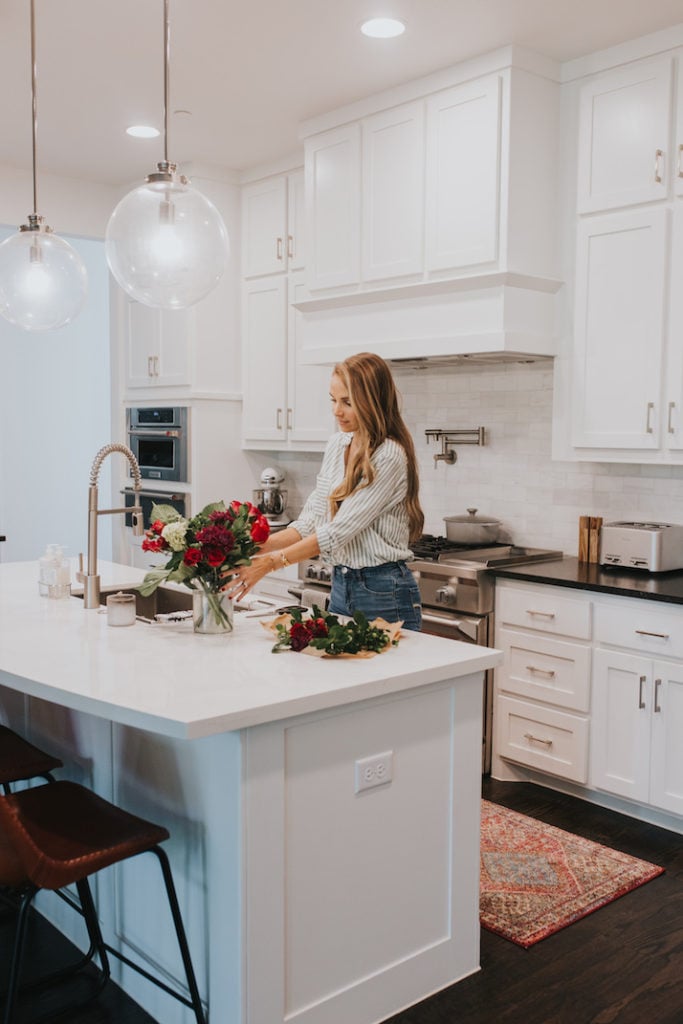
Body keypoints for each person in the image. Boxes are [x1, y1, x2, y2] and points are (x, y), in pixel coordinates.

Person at [227, 351, 424, 630]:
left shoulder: (388, 455)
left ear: (372, 402)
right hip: (342, 586)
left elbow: (338, 531)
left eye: (347, 402)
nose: (337, 411)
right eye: (333, 400)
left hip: (383, 592)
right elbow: (311, 520)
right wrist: (254, 548)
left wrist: (269, 563)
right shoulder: (337, 445)